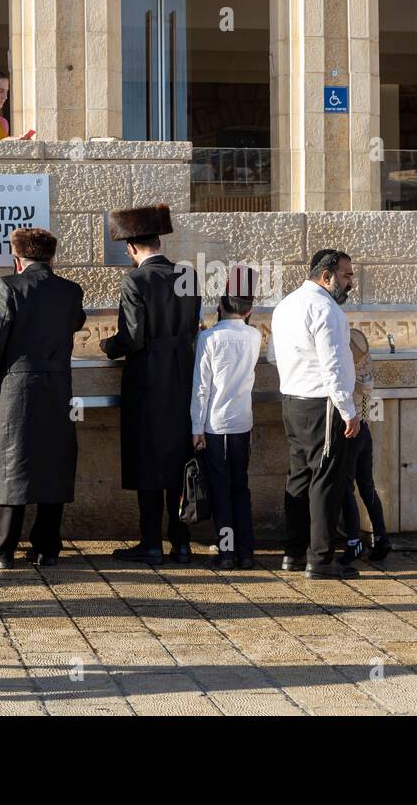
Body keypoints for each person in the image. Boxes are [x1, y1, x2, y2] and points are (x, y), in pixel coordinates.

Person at [0, 227, 86, 569]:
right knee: (54, 462)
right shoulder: (71, 291)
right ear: (51, 259)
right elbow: (76, 322)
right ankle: (47, 547)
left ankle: (2, 550)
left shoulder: (9, 287)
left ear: (17, 259)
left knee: (11, 465)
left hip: (15, 389)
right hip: (57, 388)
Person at [103, 203, 202, 566]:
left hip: (147, 380)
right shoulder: (188, 275)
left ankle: (150, 542)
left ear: (131, 248)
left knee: (147, 461)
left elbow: (132, 337)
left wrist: (107, 347)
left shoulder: (135, 280)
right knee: (179, 460)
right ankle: (181, 542)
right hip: (183, 378)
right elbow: (193, 327)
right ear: (159, 241)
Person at [269, 249, 361, 580]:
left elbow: (272, 355)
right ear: (326, 276)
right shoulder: (327, 309)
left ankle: (293, 553)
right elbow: (333, 364)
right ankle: (320, 558)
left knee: (300, 476)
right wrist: (348, 409)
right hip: (322, 402)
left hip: (292, 400)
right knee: (326, 480)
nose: (351, 283)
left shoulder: (285, 305)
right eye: (346, 276)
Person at [191, 265, 261, 570]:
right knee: (240, 487)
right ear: (249, 310)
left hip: (215, 425)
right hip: (242, 422)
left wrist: (196, 428)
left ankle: (227, 551)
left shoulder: (209, 338)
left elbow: (201, 388)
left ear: (220, 305)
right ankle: (246, 551)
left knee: (220, 490)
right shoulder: (255, 336)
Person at [339, 328, 391, 565]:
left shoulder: (349, 374)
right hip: (365, 431)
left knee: (345, 488)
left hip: (350, 432)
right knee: (367, 486)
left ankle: (353, 541)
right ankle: (381, 537)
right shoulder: (365, 369)